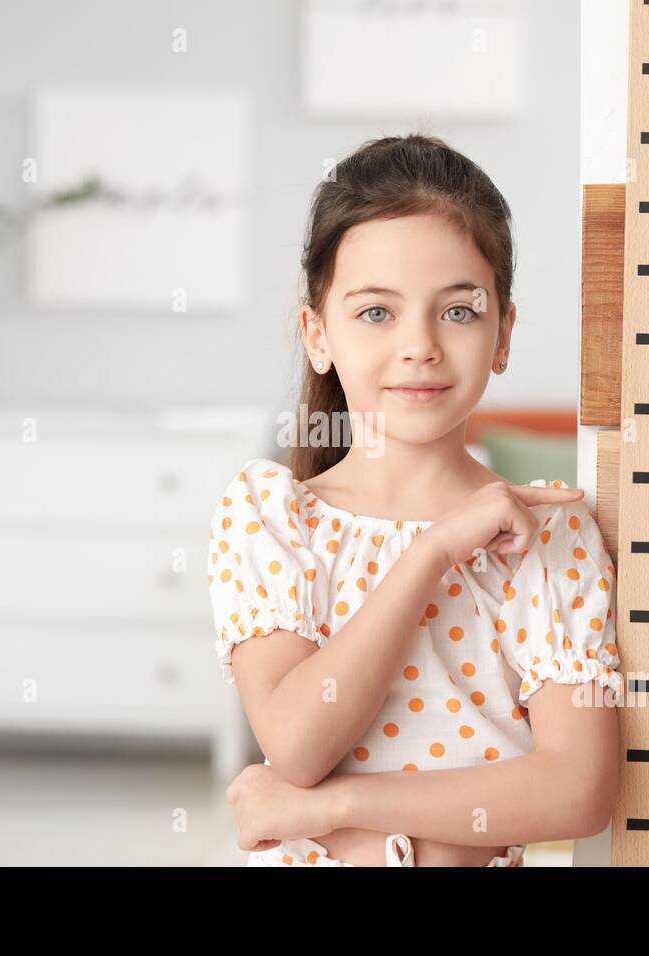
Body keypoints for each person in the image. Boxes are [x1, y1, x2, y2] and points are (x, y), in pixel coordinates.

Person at [206, 134, 622, 867]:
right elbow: (298, 745)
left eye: (458, 312)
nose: (420, 345)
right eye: (376, 313)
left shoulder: (549, 534)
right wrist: (431, 552)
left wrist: (335, 805)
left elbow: (579, 789)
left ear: (503, 333)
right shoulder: (272, 518)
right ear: (317, 334)